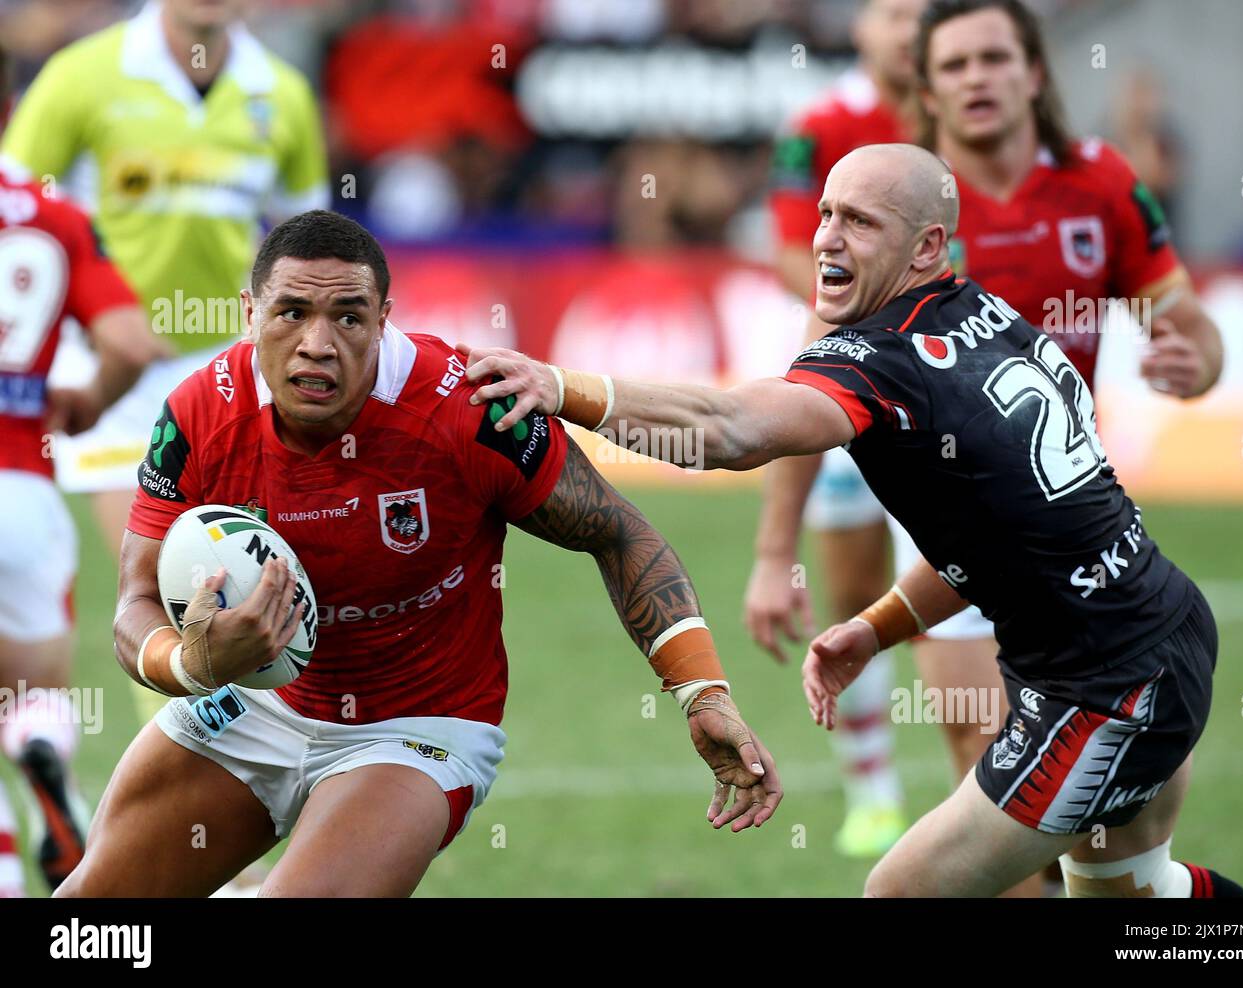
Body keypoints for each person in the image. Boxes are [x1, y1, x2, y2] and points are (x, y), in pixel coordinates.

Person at [458, 143, 1243, 898]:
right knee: (1138, 898)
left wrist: (562, 387)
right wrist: (876, 629)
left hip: (1108, 686)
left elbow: (731, 431)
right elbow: (1001, 540)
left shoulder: (882, 358)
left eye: (860, 222)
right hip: (1157, 630)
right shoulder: (984, 315)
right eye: (826, 213)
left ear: (927, 246)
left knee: (902, 889)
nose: (828, 238)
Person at [54, 211, 781, 898]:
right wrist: (193, 664)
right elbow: (136, 600)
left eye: (347, 317)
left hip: (414, 730)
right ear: (250, 314)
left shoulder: (469, 411)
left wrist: (702, 692)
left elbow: (618, 531)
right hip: (251, 704)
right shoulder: (199, 412)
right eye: (291, 313)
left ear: (383, 321)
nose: (316, 342)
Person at [744, 0, 1223, 882]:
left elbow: (1187, 321)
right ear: (924, 87)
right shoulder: (885, 217)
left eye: (994, 58)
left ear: (1034, 72)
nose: (977, 80)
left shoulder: (1101, 184)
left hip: (1074, 514)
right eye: (954, 65)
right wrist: (777, 553)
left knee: (1097, 852)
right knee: (986, 746)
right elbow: (799, 395)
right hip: (950, 522)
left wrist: (1197, 360)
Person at [0, 0, 328, 573]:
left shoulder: (282, 91)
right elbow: (14, 208)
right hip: (105, 363)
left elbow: (310, 235)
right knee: (157, 580)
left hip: (224, 360)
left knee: (244, 584)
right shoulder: (80, 74)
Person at [755, 0, 926, 859]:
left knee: (977, 594)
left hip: (950, 386)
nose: (909, 26)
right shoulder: (820, 124)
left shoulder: (959, 114)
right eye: (893, 9)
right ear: (860, 26)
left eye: (923, 12)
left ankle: (1000, 772)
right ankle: (874, 791)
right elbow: (792, 253)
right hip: (854, 371)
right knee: (855, 588)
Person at [0, 66, 163, 890]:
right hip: (25, 487)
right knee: (30, 688)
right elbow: (133, 342)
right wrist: (87, 402)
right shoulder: (57, 218)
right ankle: (43, 750)